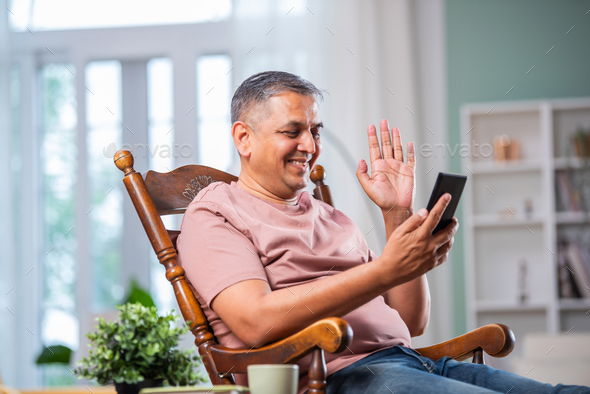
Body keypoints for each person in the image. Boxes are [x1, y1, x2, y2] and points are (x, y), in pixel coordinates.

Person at [176, 71, 589, 393]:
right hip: (339, 380)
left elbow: (409, 321)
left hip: (411, 362)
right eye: (292, 131)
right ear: (243, 138)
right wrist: (384, 270)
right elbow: (255, 322)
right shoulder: (215, 212)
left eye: (315, 131)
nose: (310, 145)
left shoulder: (331, 217)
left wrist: (396, 214)